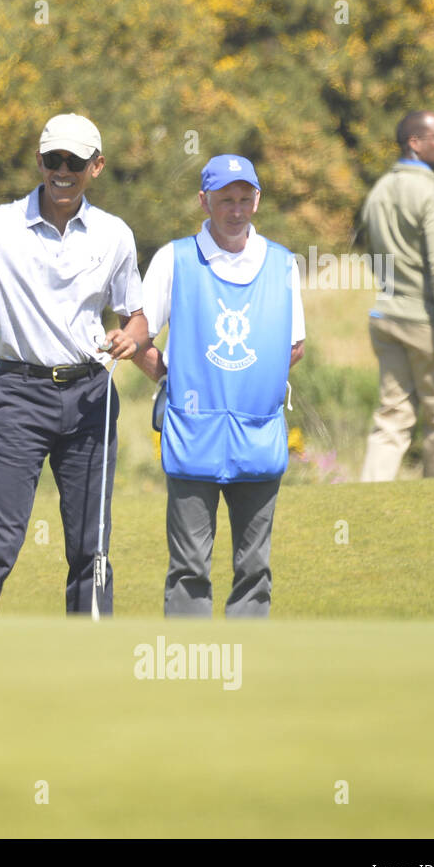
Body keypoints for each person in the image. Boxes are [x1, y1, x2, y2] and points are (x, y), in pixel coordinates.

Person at [0, 113, 146, 616]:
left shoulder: (115, 235)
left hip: (92, 396)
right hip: (19, 394)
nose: (63, 170)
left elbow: (134, 317)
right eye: (54, 160)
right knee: (0, 541)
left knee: (90, 546)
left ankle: (90, 658)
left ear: (98, 166)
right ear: (40, 162)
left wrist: (131, 340)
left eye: (75, 161)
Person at [132, 155, 305, 618]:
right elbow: (137, 338)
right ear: (204, 201)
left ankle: (245, 669)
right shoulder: (174, 258)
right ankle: (190, 672)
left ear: (257, 200)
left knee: (255, 567)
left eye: (244, 199)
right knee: (189, 565)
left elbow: (292, 346)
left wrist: (255, 383)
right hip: (193, 434)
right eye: (225, 199)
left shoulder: (284, 264)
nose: (236, 209)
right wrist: (169, 376)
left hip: (258, 434)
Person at [359, 111, 434, 481]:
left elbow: (373, 254)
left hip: (385, 316)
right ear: (416, 142)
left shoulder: (378, 191)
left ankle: (366, 501)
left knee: (392, 418)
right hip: (427, 323)